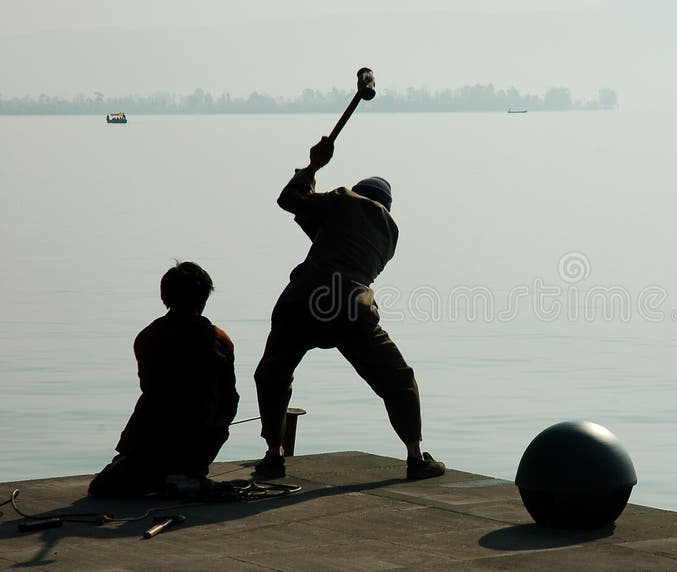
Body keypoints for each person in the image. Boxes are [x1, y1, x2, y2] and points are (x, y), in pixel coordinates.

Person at [252, 136, 445, 481]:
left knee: (273, 375)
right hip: (350, 310)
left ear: (357, 192)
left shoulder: (343, 200)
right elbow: (329, 233)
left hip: (302, 302)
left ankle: (273, 455)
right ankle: (416, 457)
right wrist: (311, 186)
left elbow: (290, 201)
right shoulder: (389, 234)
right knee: (398, 379)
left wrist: (313, 167)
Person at [89, 262, 239, 497]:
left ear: (165, 298)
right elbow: (230, 399)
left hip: (148, 441)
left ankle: (156, 477)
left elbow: (150, 388)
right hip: (197, 446)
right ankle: (187, 477)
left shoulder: (148, 337)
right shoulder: (219, 340)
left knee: (104, 486)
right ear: (204, 298)